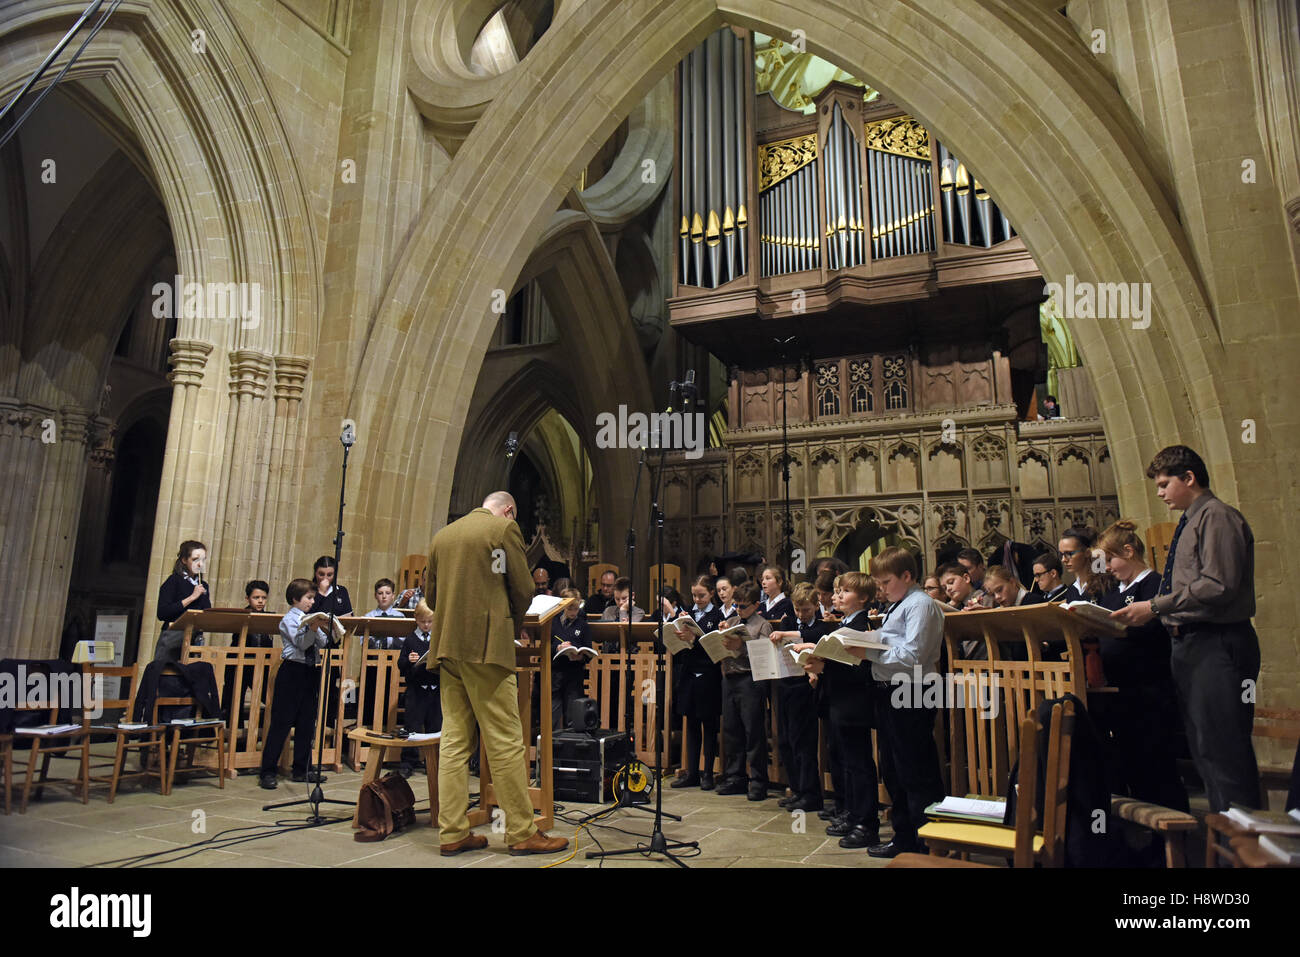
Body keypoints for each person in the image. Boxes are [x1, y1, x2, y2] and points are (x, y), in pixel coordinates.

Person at [1111, 446, 1259, 812]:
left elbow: (1219, 585)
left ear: (1189, 478)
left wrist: (1155, 607)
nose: (1159, 493)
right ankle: (1228, 842)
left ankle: (1247, 849)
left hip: (1217, 643)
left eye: (1164, 484)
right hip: (1192, 646)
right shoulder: (1191, 521)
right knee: (1206, 752)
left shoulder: (1217, 517)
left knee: (1225, 753)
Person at [426, 491, 567, 855]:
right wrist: (514, 623)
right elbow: (522, 588)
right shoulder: (502, 530)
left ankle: (452, 832)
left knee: (455, 743)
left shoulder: (443, 536)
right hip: (487, 648)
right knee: (504, 740)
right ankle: (522, 832)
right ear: (508, 510)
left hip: (448, 648)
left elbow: (432, 595)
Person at [849, 546, 946, 858]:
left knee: (915, 770)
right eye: (878, 584)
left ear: (907, 576)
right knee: (893, 768)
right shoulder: (899, 604)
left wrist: (868, 652)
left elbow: (914, 655)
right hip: (890, 690)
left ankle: (926, 842)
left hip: (913, 690)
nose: (881, 589)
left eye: (886, 582)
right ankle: (905, 837)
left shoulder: (921, 604)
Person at [1094, 521, 1188, 812]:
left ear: (1129, 551)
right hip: (1121, 693)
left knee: (1157, 769)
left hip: (1151, 691)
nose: (1106, 567)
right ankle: (1143, 841)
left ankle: (1172, 843)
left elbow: (1162, 630)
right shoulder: (1112, 594)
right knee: (1132, 768)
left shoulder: (1156, 586)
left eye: (1110, 560)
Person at [801, 573, 879, 847]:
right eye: (837, 591)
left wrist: (824, 667)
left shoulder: (861, 626)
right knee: (844, 761)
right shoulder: (843, 625)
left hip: (854, 703)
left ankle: (866, 822)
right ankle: (850, 811)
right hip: (838, 701)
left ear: (864, 598)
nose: (838, 596)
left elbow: (862, 669)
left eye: (845, 591)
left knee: (859, 764)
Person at [259, 578, 329, 789]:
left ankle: (302, 768)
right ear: (295, 599)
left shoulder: (310, 618)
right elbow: (301, 643)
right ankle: (268, 771)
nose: (311, 601)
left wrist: (322, 629)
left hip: (310, 671)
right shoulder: (290, 619)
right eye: (308, 598)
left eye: (313, 598)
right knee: (281, 722)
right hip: (292, 672)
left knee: (307, 722)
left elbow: (324, 643)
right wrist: (313, 629)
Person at [768, 582, 827, 813]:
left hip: (805, 688)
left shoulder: (821, 625)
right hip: (785, 684)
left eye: (807, 610)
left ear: (816, 606)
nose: (801, 615)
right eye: (798, 610)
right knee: (785, 741)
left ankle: (811, 793)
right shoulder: (788, 621)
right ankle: (796, 789)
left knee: (804, 743)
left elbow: (816, 635)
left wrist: (787, 634)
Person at [717, 582, 771, 801]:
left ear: (757, 604)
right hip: (729, 677)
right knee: (731, 731)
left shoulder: (762, 625)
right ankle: (735, 777)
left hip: (750, 679)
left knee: (753, 733)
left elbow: (765, 656)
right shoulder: (731, 622)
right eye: (736, 605)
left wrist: (740, 646)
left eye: (744, 606)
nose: (739, 610)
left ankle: (758, 781)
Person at [670, 575, 724, 790]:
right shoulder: (688, 615)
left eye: (701, 595)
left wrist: (693, 640)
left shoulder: (717, 615)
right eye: (694, 595)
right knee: (691, 726)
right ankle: (692, 772)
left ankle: (708, 773)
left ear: (711, 593)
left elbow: (714, 646)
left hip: (708, 675)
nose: (697, 599)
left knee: (708, 727)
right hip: (688, 674)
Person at [396, 600, 442, 777]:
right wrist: (409, 660)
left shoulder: (437, 638)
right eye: (423, 622)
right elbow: (401, 664)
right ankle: (408, 761)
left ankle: (433, 760)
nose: (426, 625)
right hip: (416, 691)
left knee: (435, 726)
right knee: (412, 725)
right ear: (416, 619)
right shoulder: (410, 640)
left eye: (430, 622)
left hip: (435, 688)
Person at [155, 540, 211, 662]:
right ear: (184, 560)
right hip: (173, 636)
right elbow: (162, 613)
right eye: (195, 559)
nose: (200, 564)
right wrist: (192, 597)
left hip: (194, 637)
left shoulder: (203, 585)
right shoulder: (174, 581)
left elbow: (206, 612)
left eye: (203, 560)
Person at [549, 587, 591, 732]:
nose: (574, 612)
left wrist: (580, 655)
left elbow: (588, 649)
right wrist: (558, 648)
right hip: (556, 672)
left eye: (576, 608)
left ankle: (570, 746)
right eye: (570, 608)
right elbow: (546, 646)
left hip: (574, 674)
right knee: (553, 712)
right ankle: (552, 744)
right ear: (563, 606)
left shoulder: (583, 625)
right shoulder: (553, 622)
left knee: (572, 713)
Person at [364, 578, 408, 648]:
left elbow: (403, 641)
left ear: (393, 595)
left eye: (387, 593)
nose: (384, 596)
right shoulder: (368, 616)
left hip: (394, 655)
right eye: (380, 593)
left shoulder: (400, 616)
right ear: (375, 595)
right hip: (372, 656)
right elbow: (364, 642)